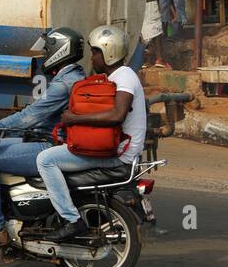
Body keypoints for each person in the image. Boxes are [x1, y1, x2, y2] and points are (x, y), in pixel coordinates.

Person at [0, 28, 88, 250]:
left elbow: (28, 118)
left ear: (60, 50)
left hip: (48, 145)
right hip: (48, 141)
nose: (45, 55)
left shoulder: (63, 84)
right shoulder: (76, 76)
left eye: (48, 50)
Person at [36, 25, 147, 243]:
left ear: (109, 52)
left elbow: (117, 115)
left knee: (46, 160)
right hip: (117, 151)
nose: (92, 58)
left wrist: (74, 119)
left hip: (119, 157)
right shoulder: (118, 76)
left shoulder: (124, 76)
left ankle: (71, 220)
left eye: (96, 52)